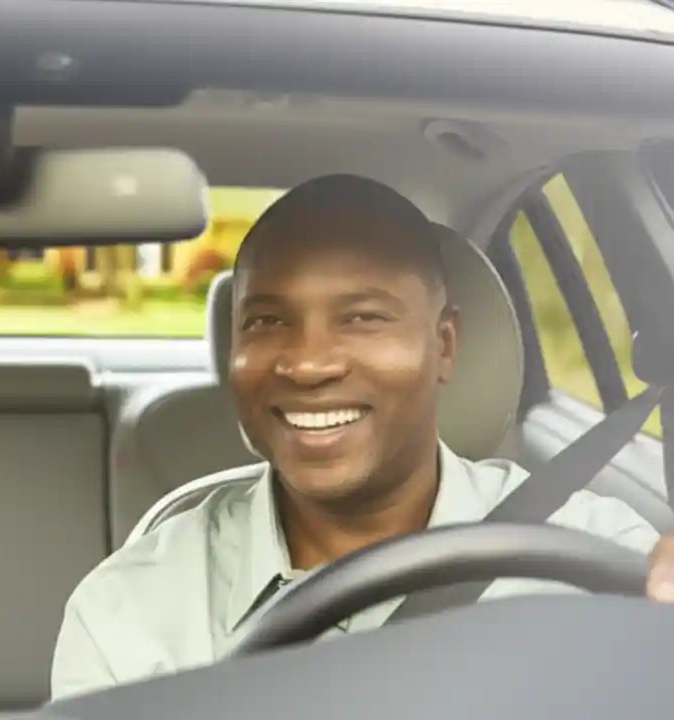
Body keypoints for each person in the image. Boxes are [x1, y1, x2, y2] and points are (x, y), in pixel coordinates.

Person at [50, 173, 674, 702]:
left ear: (444, 346)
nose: (308, 363)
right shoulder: (127, 612)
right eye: (267, 320)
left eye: (363, 318)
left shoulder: (599, 555)